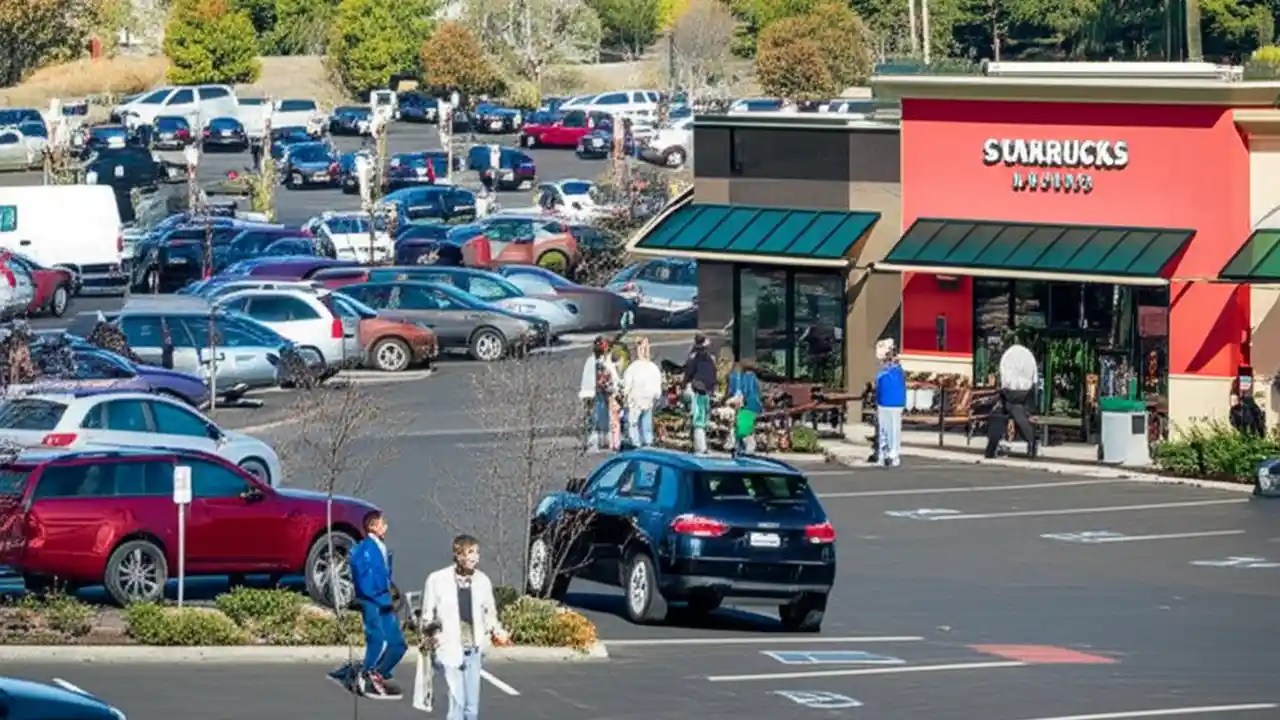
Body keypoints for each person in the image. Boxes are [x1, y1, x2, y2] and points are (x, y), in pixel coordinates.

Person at [421, 535, 510, 720]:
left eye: (477, 553)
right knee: (457, 705)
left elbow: (490, 614)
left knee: (471, 707)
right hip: (450, 648)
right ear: (458, 554)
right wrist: (432, 637)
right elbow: (427, 614)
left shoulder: (482, 581)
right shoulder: (437, 580)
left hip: (474, 649)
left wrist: (497, 632)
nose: (475, 557)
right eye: (470, 552)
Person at [347, 510, 407, 699]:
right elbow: (364, 580)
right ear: (373, 526)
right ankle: (366, 676)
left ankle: (377, 673)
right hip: (373, 602)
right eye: (383, 523)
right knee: (377, 639)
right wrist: (375, 595)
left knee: (398, 644)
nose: (386, 527)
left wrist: (390, 593)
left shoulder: (381, 547)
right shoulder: (363, 550)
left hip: (385, 601)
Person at [578, 337, 620, 453]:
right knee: (599, 417)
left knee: (592, 417)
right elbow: (607, 379)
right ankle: (598, 440)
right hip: (598, 393)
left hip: (589, 392)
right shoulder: (601, 363)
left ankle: (593, 440)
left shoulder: (591, 361)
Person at [622, 337, 662, 448]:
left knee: (634, 421)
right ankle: (647, 440)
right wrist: (656, 395)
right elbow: (657, 382)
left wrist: (625, 395)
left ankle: (635, 441)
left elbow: (627, 384)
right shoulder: (652, 367)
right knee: (646, 419)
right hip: (648, 397)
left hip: (636, 398)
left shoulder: (633, 368)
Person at [683, 335, 717, 455]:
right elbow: (713, 375)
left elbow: (688, 374)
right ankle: (701, 444)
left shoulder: (694, 358)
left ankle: (700, 447)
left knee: (697, 420)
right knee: (703, 419)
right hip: (707, 391)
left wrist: (684, 384)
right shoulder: (710, 359)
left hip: (697, 391)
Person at [874, 340, 906, 467]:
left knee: (886, 429)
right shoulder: (895, 370)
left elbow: (880, 382)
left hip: (888, 401)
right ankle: (890, 454)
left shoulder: (889, 371)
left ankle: (888, 454)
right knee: (892, 428)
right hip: (893, 401)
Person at [727, 359, 763, 455]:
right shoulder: (752, 378)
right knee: (744, 427)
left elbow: (738, 391)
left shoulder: (739, 377)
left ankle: (744, 448)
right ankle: (744, 448)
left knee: (742, 428)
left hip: (745, 405)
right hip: (752, 406)